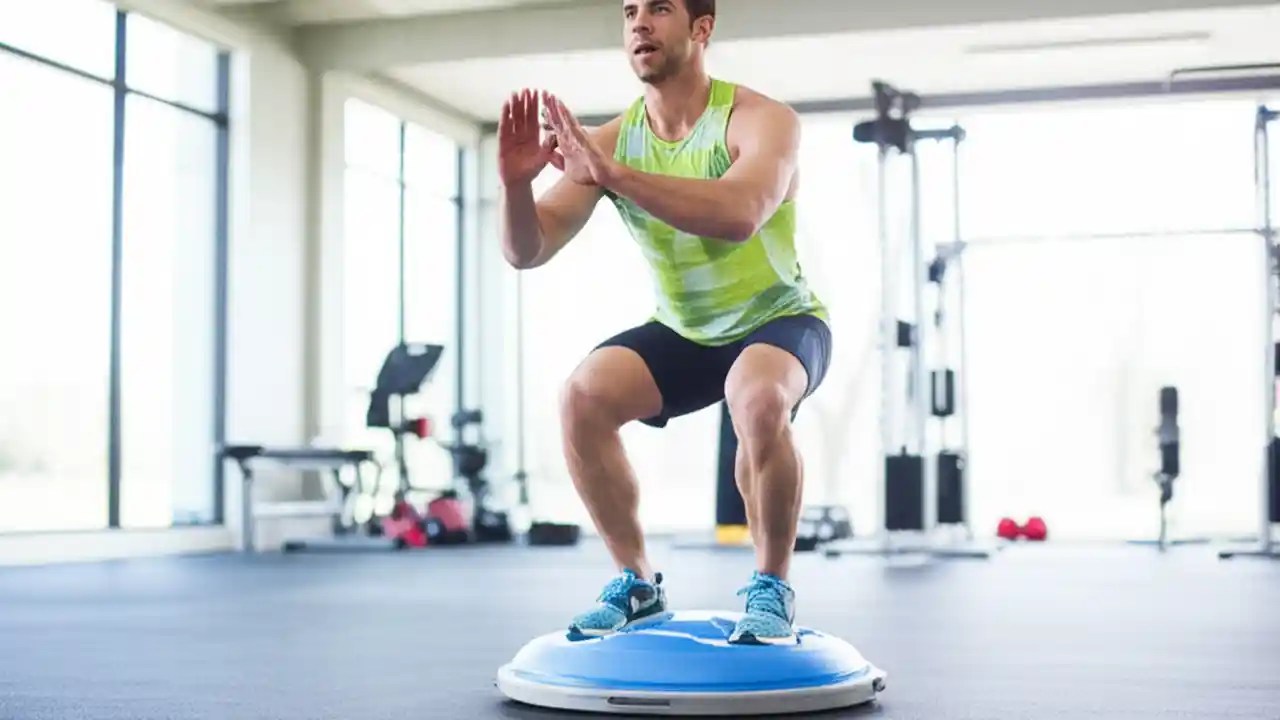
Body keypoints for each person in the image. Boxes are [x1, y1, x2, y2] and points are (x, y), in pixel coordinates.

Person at [497, 0, 830, 646]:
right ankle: (637, 583)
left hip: (780, 321)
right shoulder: (610, 141)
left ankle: (771, 588)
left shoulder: (763, 121)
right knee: (582, 396)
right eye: (628, 13)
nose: (639, 24)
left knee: (757, 396)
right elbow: (527, 249)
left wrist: (612, 173)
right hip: (684, 330)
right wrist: (514, 186)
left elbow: (740, 213)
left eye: (659, 9)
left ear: (702, 29)